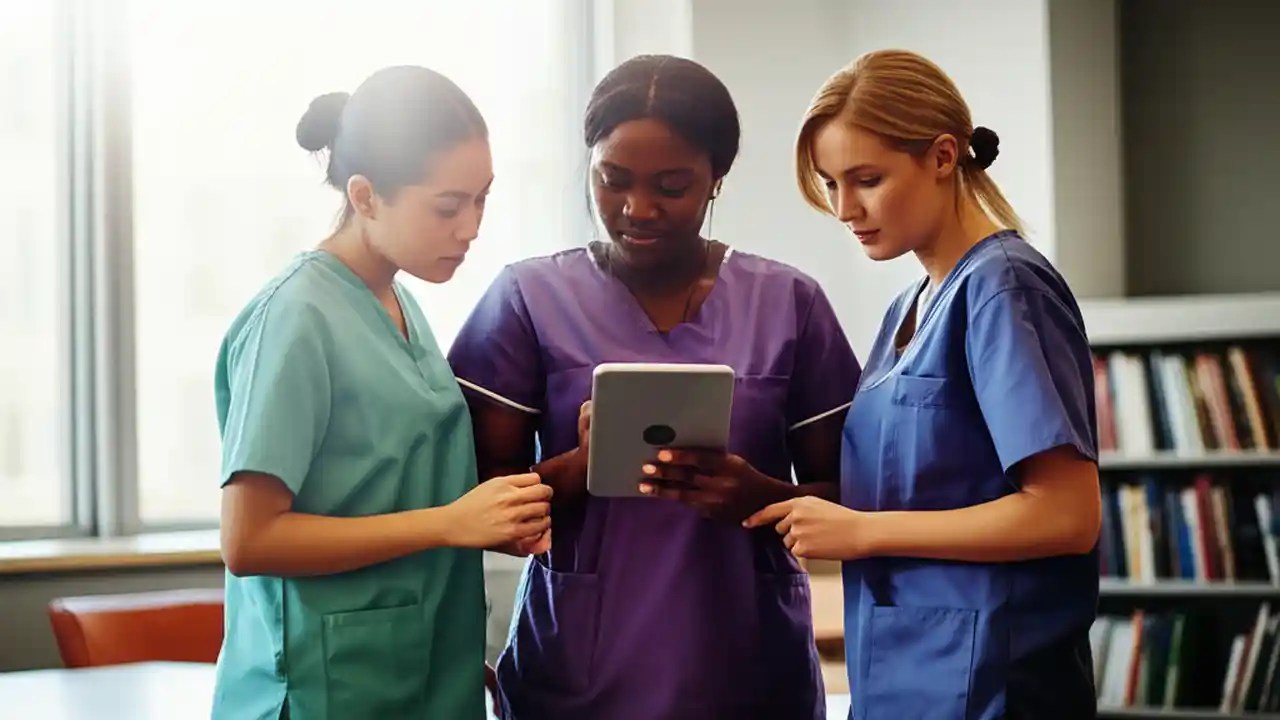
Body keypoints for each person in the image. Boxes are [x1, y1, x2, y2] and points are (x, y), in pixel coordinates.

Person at [448, 54, 860, 719]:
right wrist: (579, 468)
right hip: (581, 671)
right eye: (612, 180)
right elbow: (469, 504)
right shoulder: (527, 300)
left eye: (672, 185)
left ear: (716, 180)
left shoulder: (789, 304)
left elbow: (851, 495)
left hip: (747, 669)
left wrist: (760, 497)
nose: (637, 208)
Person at [746, 49, 1102, 719]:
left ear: (942, 157)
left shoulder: (1003, 287)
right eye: (829, 184)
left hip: (997, 681)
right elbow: (901, 487)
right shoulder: (906, 308)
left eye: (867, 179)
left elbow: (1066, 514)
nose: (845, 208)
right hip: (906, 675)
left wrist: (866, 534)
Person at [212, 66, 553, 720]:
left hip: (414, 677)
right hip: (320, 689)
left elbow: (400, 487)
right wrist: (452, 525)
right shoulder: (296, 318)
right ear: (365, 196)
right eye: (449, 207)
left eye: (483, 199)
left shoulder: (400, 304)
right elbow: (249, 541)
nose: (471, 228)